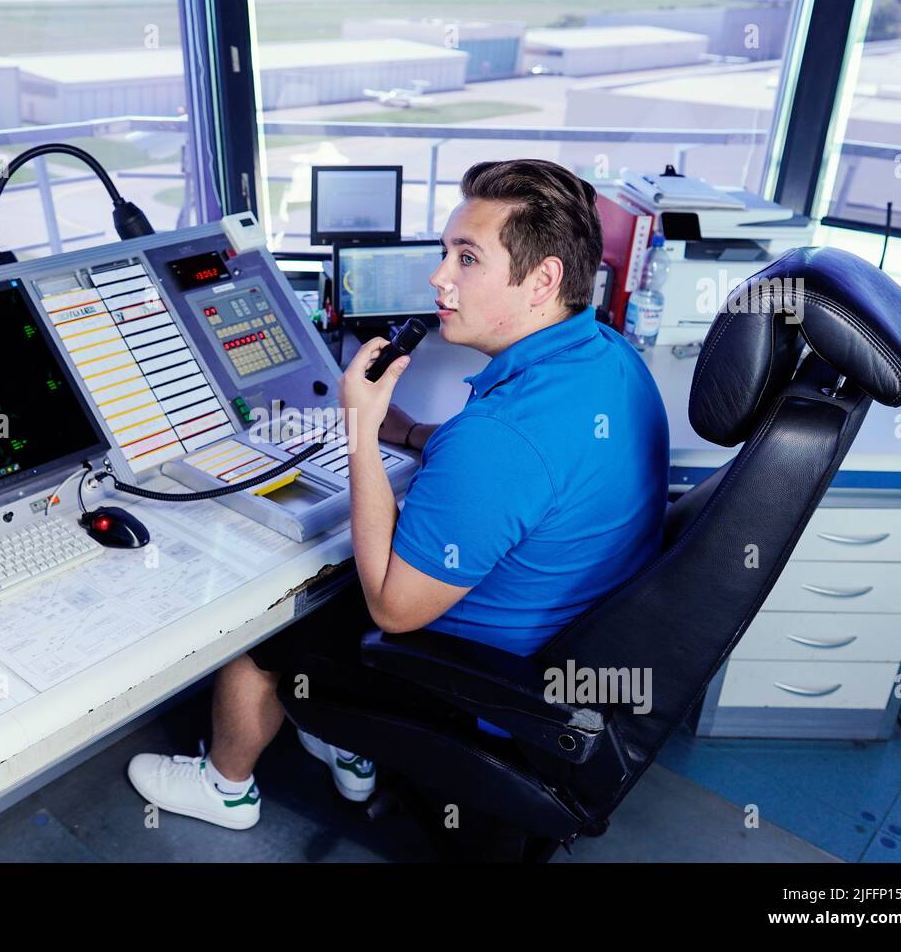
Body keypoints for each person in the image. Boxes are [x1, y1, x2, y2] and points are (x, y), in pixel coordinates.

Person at [127, 158, 670, 830]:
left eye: (466, 258)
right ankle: (343, 748)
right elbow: (525, 468)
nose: (439, 277)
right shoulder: (608, 359)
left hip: (477, 683)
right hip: (555, 643)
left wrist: (360, 430)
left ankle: (226, 788)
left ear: (542, 280)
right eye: (446, 252)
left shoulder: (499, 440)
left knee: (267, 630)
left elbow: (393, 607)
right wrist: (406, 429)